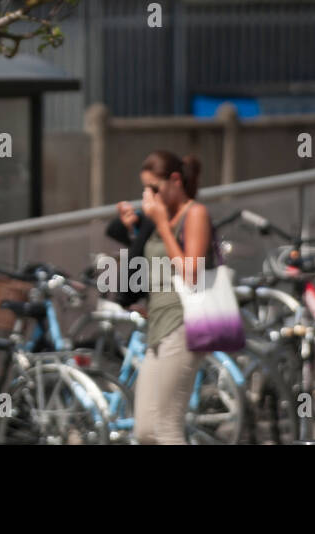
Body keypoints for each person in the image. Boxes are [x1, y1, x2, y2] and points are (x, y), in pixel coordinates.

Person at [118, 150, 216, 444]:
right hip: (158, 325)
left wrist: (160, 223)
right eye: (145, 188)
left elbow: (191, 272)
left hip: (183, 324)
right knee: (146, 430)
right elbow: (151, 261)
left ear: (175, 180)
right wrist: (135, 229)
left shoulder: (194, 213)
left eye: (154, 187)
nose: (149, 195)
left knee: (166, 425)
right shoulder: (165, 217)